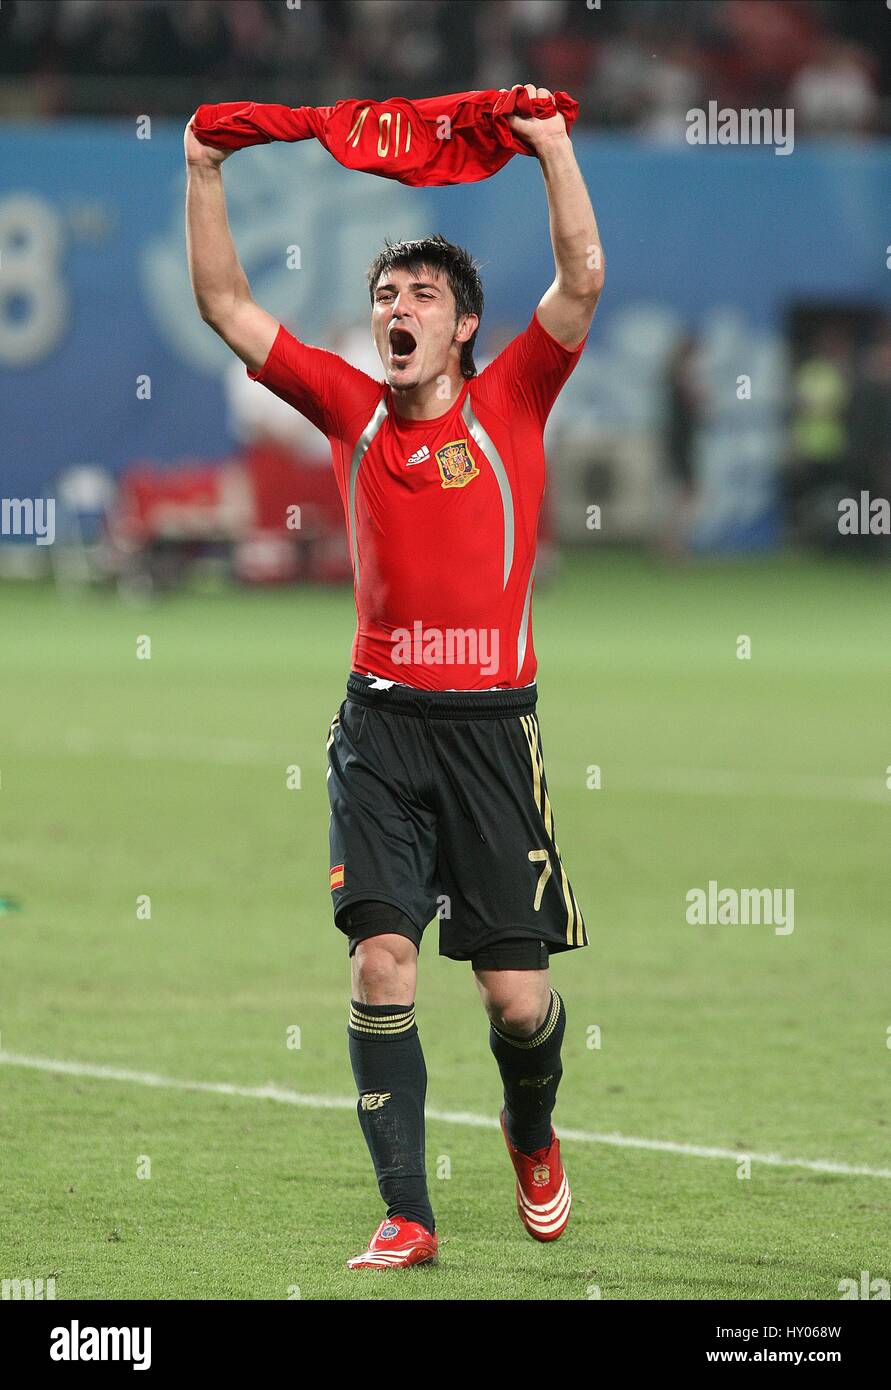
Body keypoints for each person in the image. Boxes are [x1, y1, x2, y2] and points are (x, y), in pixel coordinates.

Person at [185, 82, 604, 1270]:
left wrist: (552, 149)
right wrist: (203, 170)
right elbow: (225, 302)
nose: (396, 308)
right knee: (380, 960)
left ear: (466, 324)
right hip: (379, 732)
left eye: (420, 294)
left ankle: (533, 1133)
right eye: (384, 295)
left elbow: (581, 275)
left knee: (515, 1003)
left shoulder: (516, 397)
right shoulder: (352, 411)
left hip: (490, 735)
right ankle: (408, 1213)